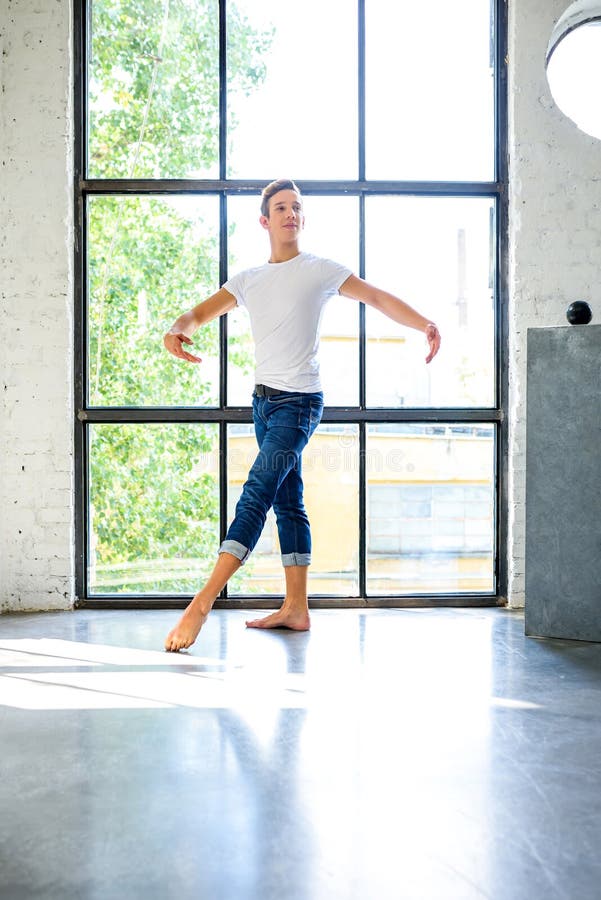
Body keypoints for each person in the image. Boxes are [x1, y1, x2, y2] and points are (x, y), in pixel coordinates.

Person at [163, 179, 441, 652]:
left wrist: (425, 324)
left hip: (299, 404)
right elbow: (198, 314)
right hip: (263, 404)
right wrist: (176, 330)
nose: (291, 214)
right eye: (281, 207)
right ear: (264, 220)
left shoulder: (319, 270)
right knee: (287, 500)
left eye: (297, 207)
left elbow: (376, 297)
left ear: (302, 218)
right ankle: (296, 608)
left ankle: (202, 602)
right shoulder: (248, 280)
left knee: (255, 494)